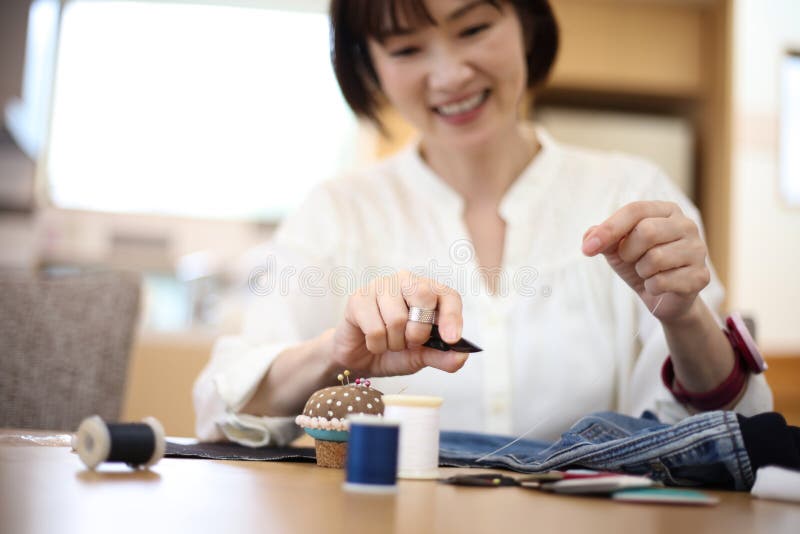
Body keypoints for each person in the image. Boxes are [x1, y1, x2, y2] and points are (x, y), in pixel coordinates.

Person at [193, 0, 772, 446]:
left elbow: (727, 435)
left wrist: (687, 320)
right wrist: (333, 353)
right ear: (366, 65)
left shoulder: (631, 193)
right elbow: (222, 411)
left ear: (525, 21)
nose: (449, 76)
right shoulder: (338, 211)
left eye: (473, 30)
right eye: (405, 49)